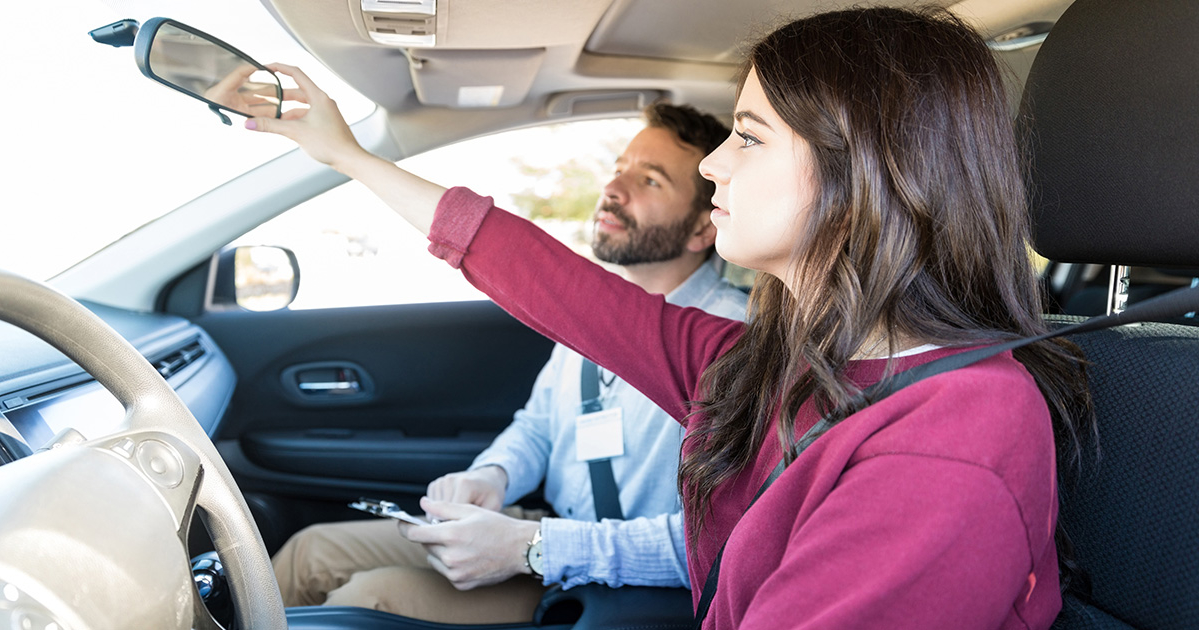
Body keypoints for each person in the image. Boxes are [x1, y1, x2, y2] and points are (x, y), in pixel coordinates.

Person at [247, 6, 1094, 628]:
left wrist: (538, 549)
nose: (718, 166)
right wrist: (346, 155)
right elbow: (541, 276)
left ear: (866, 171)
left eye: (750, 138)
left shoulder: (951, 437)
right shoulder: (767, 363)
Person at [269, 103, 749, 624]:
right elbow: (539, 427)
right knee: (310, 551)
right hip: (549, 532)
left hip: (620, 584)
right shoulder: (595, 312)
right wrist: (492, 478)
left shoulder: (734, 344)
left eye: (651, 180)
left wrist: (533, 545)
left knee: (367, 600)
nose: (614, 189)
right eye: (619, 169)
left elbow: (721, 545)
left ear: (704, 229)